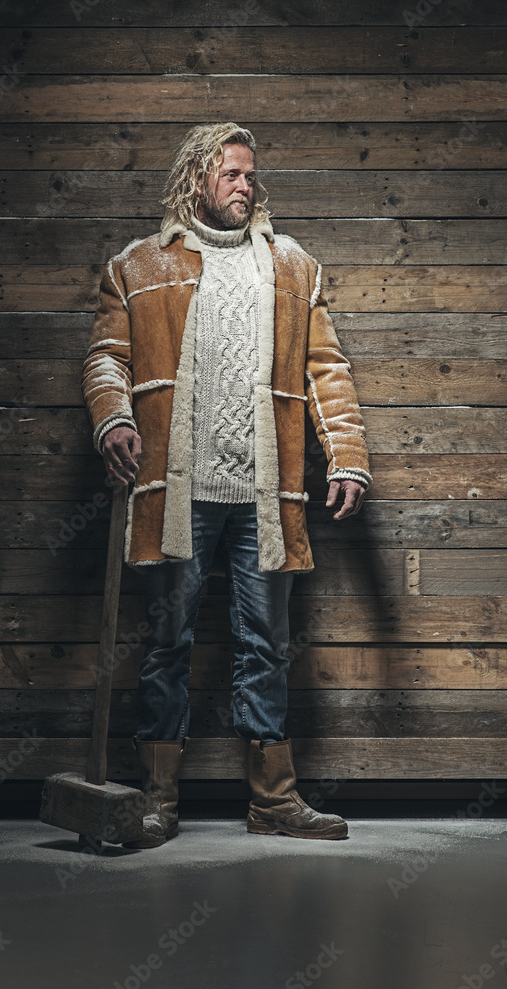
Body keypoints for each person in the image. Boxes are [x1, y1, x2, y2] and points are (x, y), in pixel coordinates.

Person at [81, 122, 372, 848]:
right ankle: (156, 800)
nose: (245, 185)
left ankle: (274, 801)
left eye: (249, 174)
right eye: (231, 174)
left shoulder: (293, 267)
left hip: (263, 498)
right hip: (176, 493)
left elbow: (326, 370)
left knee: (266, 645)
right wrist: (113, 418)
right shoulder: (138, 265)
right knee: (166, 644)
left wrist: (346, 456)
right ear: (196, 180)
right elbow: (107, 358)